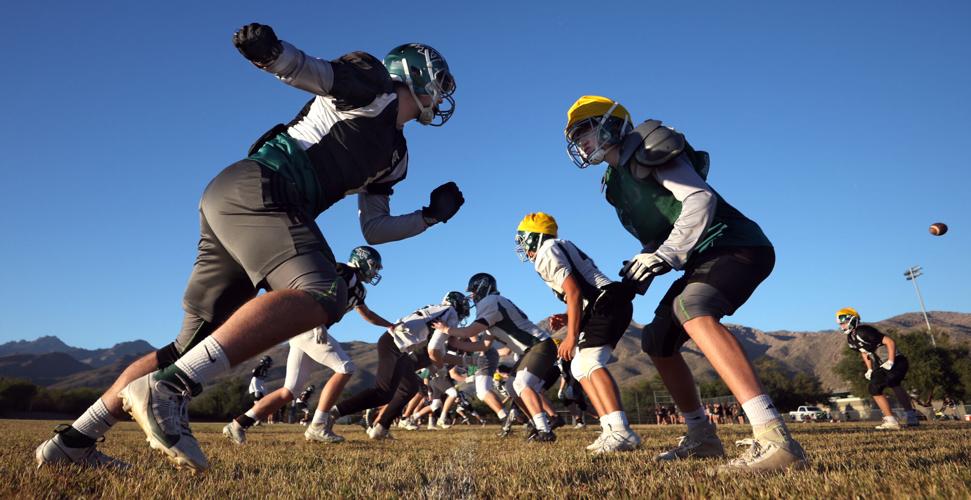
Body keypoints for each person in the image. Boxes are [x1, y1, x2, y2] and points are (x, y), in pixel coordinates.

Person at [35, 23, 462, 473]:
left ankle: (73, 443)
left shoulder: (396, 154)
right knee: (326, 291)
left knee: (189, 345)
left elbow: (373, 229)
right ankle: (167, 389)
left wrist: (428, 218)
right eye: (442, 83)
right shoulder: (375, 85)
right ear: (418, 73)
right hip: (264, 187)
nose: (443, 94)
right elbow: (317, 73)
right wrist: (273, 55)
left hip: (238, 199)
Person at [563, 96, 806, 472]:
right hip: (701, 256)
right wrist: (643, 262)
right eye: (576, 137)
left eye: (585, 130)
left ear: (612, 123)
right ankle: (702, 435)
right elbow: (663, 229)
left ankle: (774, 437)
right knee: (657, 340)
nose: (582, 142)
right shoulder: (615, 183)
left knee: (692, 308)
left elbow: (698, 198)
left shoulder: (646, 145)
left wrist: (666, 255)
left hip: (736, 244)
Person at [223, 246, 393, 445]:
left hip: (304, 328)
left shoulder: (357, 287)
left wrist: (390, 325)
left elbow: (367, 314)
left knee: (290, 391)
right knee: (345, 367)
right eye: (373, 266)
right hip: (308, 325)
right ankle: (318, 425)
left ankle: (237, 425)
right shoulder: (342, 271)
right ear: (361, 260)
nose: (374, 272)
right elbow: (314, 291)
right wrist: (316, 320)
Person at [513, 213, 641, 453]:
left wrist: (571, 336)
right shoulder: (558, 245)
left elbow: (573, 291)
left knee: (589, 362)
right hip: (604, 302)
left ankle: (621, 430)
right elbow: (579, 290)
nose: (522, 246)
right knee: (580, 366)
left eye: (523, 239)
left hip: (605, 303)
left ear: (533, 237)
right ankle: (611, 429)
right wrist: (567, 316)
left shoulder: (545, 251)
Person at [433, 272, 560, 443]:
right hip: (530, 350)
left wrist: (447, 330)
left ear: (482, 287)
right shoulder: (493, 305)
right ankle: (535, 423)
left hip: (539, 345)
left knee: (521, 383)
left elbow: (470, 332)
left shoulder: (490, 302)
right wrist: (455, 344)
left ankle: (544, 430)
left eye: (473, 292)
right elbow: (483, 346)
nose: (472, 296)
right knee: (511, 386)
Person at [326, 292, 472, 440]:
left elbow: (439, 352)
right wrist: (440, 369)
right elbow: (434, 350)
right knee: (383, 392)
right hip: (394, 345)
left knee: (409, 387)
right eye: (464, 305)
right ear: (456, 303)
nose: (465, 309)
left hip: (397, 346)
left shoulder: (438, 310)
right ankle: (333, 413)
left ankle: (381, 428)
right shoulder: (450, 313)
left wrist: (467, 362)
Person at [836, 308, 919, 429]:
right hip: (883, 364)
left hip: (897, 360)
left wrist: (891, 360)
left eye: (843, 322)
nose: (841, 325)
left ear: (852, 319)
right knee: (881, 387)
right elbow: (864, 353)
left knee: (885, 384)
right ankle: (901, 418)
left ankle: (901, 417)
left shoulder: (863, 331)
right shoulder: (851, 338)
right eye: (840, 323)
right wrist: (869, 369)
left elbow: (889, 342)